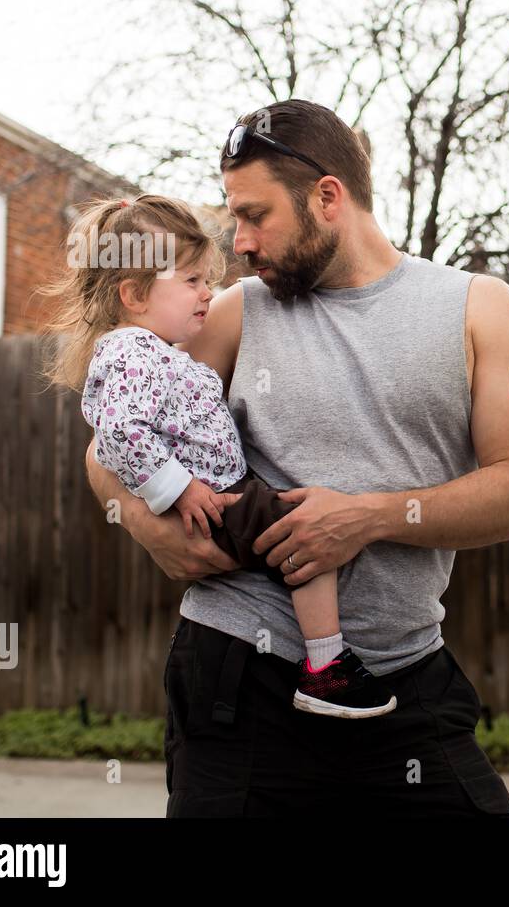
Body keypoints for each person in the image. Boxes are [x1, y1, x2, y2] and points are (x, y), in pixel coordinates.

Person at [83, 99, 509, 817]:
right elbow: (108, 442)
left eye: (254, 215)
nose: (239, 242)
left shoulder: (478, 308)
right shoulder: (236, 311)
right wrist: (154, 532)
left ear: (327, 196)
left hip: (400, 678)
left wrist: (365, 519)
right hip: (239, 676)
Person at [45, 194, 397, 719]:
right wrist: (177, 491)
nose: (207, 293)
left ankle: (326, 661)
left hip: (226, 485)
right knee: (304, 533)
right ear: (134, 294)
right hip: (213, 500)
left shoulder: (156, 351)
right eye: (191, 281)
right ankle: (327, 667)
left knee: (298, 528)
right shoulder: (128, 351)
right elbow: (118, 432)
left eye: (205, 280)